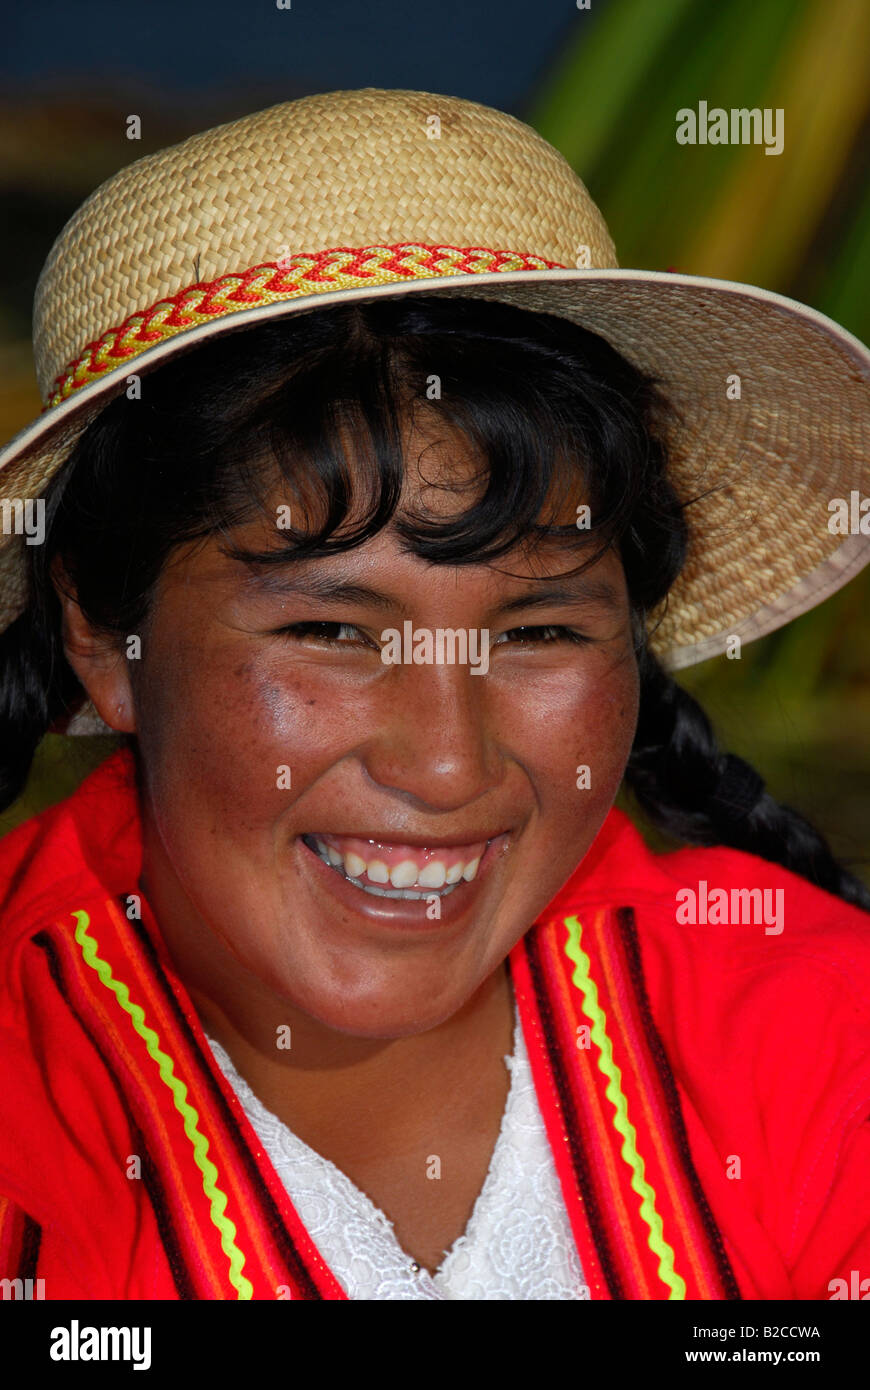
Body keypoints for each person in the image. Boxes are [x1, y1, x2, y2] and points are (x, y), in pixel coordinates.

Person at [0, 87, 868, 1302]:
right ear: (101, 630)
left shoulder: (818, 1032)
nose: (451, 767)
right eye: (333, 629)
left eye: (542, 630)